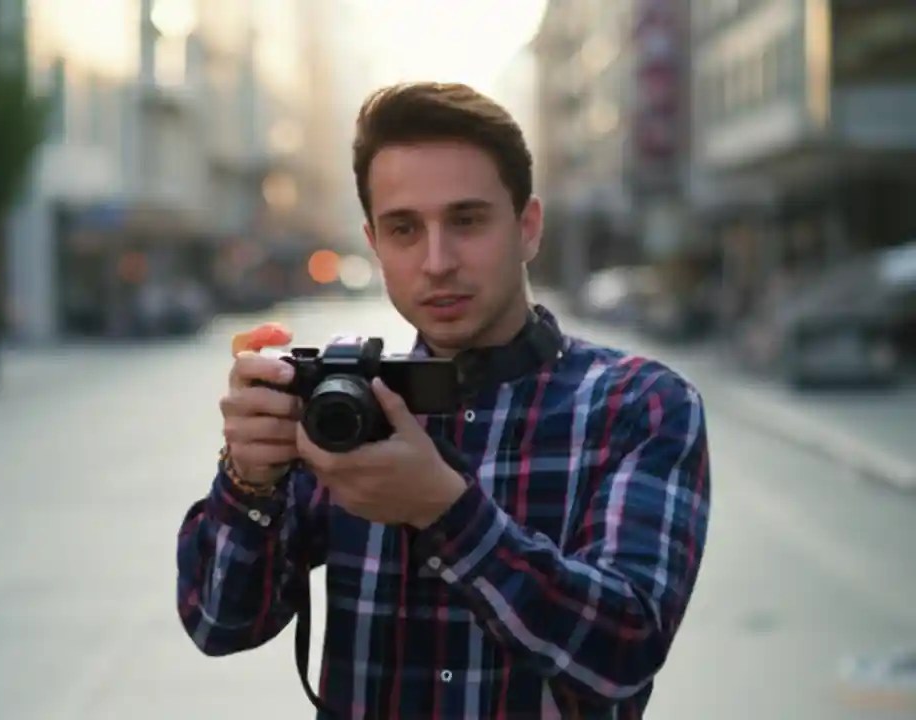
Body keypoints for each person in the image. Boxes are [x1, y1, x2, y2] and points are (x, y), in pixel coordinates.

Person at [176, 82, 711, 719]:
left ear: (528, 227)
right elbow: (219, 624)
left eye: (466, 220)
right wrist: (248, 482)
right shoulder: (347, 406)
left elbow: (623, 651)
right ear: (375, 245)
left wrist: (445, 510)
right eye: (405, 228)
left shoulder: (639, 405)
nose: (437, 261)